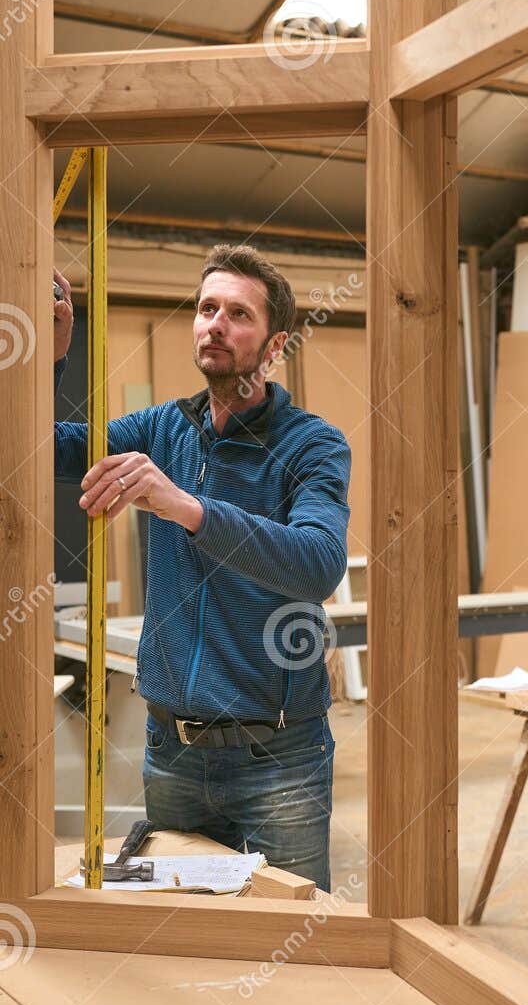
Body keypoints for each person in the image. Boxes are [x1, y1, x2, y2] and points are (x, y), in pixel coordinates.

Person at [52, 243, 350, 889]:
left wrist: (188, 507)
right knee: (189, 931)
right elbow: (43, 447)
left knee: (293, 933)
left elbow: (318, 564)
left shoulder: (310, 443)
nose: (215, 323)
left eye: (238, 313)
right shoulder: (163, 428)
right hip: (172, 752)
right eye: (207, 307)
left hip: (279, 757)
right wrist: (50, 359)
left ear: (276, 345)